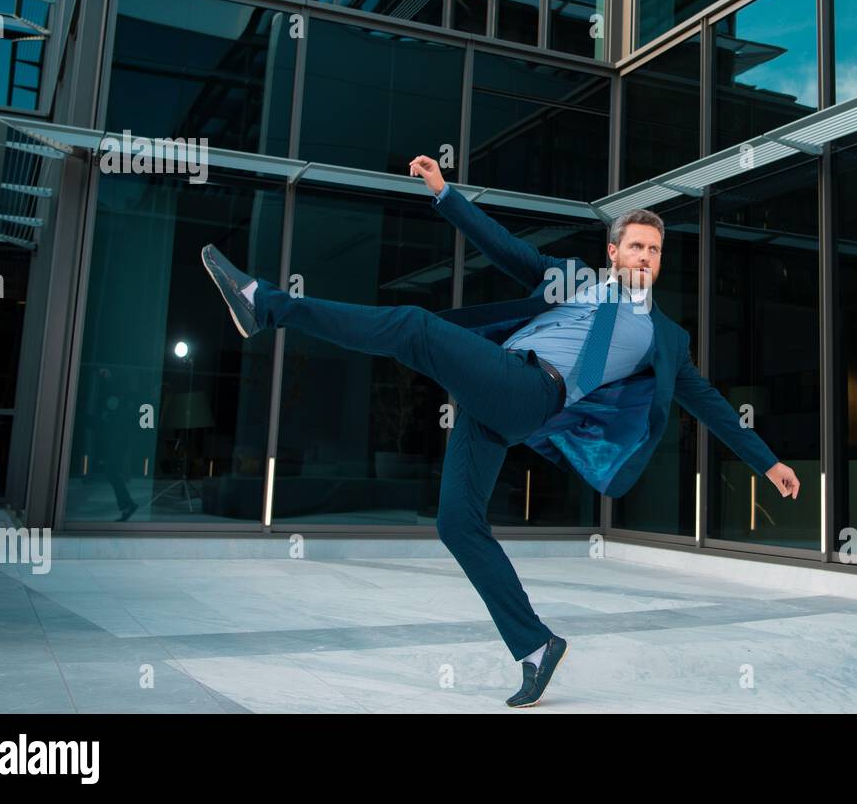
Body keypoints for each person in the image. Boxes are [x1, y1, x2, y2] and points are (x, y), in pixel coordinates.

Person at [200, 153, 800, 708]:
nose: (646, 257)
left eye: (656, 250)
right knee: (457, 523)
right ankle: (536, 646)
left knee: (413, 324)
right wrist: (444, 193)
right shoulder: (575, 280)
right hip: (499, 388)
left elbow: (713, 405)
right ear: (613, 252)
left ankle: (267, 305)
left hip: (535, 393)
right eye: (636, 246)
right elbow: (504, 247)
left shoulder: (667, 339)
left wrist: (767, 461)